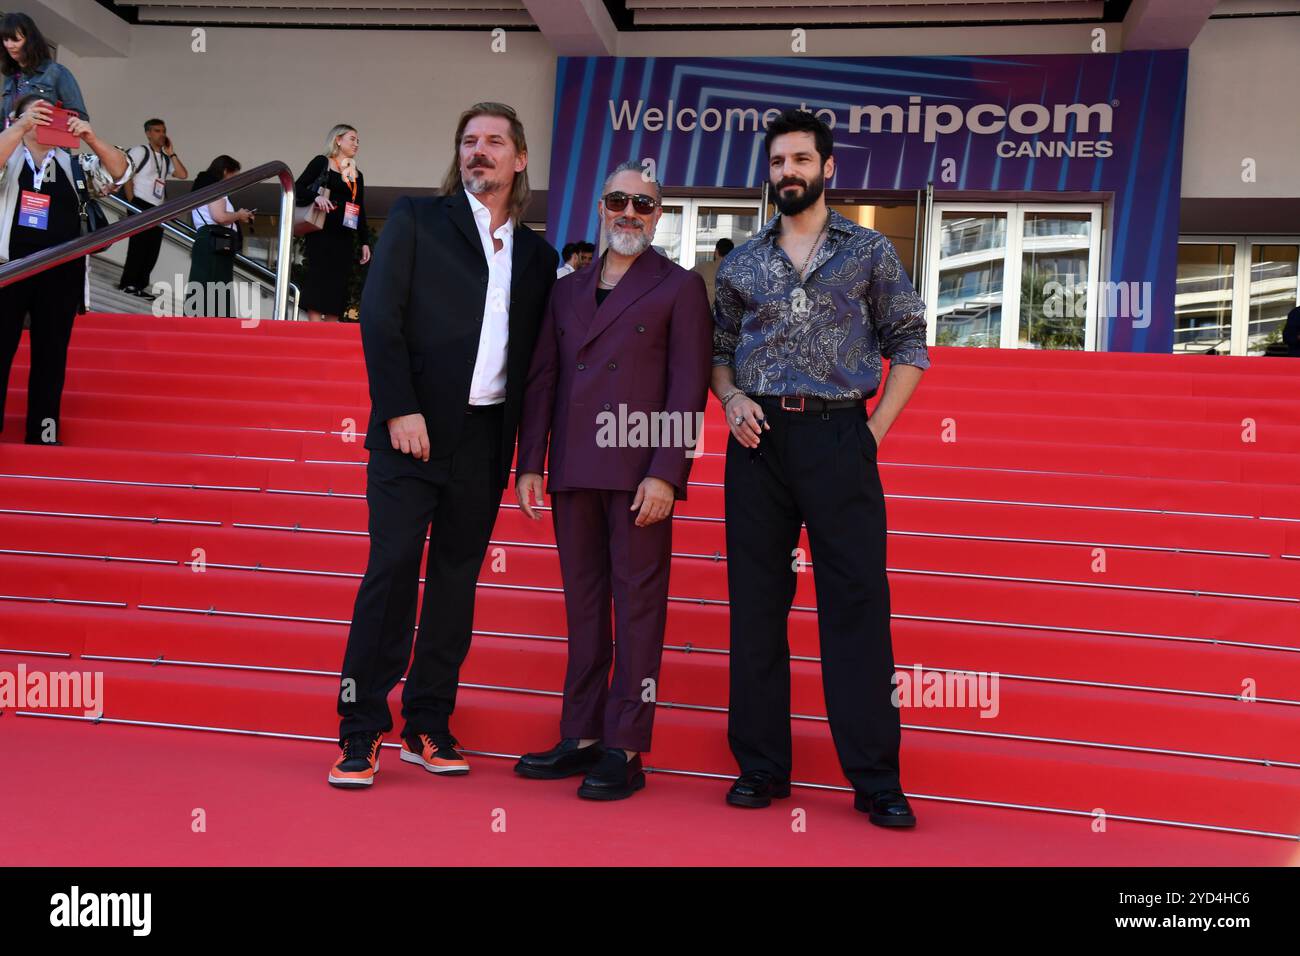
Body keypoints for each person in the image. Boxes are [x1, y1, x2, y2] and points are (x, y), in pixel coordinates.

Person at [328, 102, 558, 789]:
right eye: (469, 141)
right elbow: (379, 315)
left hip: (484, 440)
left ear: (519, 160)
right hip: (411, 433)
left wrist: (528, 459)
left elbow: (538, 367)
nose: (478, 152)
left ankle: (427, 722)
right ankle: (360, 730)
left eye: (494, 142)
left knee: (455, 587)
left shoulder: (540, 257)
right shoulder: (418, 221)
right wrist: (399, 407)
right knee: (392, 572)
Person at [712, 109, 930, 828]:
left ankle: (875, 780)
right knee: (755, 609)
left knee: (858, 610)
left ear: (827, 167)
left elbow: (910, 342)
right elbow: (716, 355)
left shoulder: (869, 251)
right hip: (757, 445)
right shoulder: (742, 262)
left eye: (801, 159)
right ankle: (762, 767)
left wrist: (871, 433)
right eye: (778, 162)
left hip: (841, 438)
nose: (789, 173)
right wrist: (732, 395)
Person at [513, 162, 712, 800]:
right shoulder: (566, 288)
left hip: (637, 473)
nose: (630, 212)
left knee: (639, 608)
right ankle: (581, 735)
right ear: (601, 207)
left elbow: (687, 388)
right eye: (619, 200)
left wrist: (666, 473)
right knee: (583, 605)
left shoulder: (679, 287)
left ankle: (624, 747)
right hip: (573, 468)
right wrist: (531, 462)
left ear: (658, 217)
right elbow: (543, 377)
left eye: (644, 205)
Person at [0, 95, 129, 445]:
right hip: (8, 269)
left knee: (51, 355)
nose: (46, 120)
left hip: (61, 271)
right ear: (15, 118)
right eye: (38, 114)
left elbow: (119, 171)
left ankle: (43, 434)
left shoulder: (73, 164)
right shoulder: (9, 154)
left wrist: (90, 137)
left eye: (51, 114)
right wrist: (21, 126)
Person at [295, 125, 371, 322]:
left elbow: (359, 207)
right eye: (352, 139)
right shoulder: (322, 162)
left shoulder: (356, 174)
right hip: (321, 230)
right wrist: (316, 197)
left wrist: (364, 241)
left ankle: (330, 328)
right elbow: (298, 186)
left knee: (339, 281)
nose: (356, 144)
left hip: (344, 233)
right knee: (319, 276)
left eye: (358, 141)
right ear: (338, 140)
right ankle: (314, 328)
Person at [118, 118, 188, 298]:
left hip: (157, 207)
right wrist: (131, 200)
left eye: (163, 130)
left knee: (152, 248)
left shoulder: (165, 158)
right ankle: (128, 283)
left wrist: (171, 153)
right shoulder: (141, 151)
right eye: (157, 131)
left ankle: (140, 284)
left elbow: (182, 174)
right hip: (140, 202)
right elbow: (127, 173)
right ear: (148, 133)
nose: (162, 134)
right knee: (138, 245)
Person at [187, 156, 254, 317]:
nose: (235, 181)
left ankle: (199, 324)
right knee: (215, 285)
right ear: (225, 171)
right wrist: (238, 214)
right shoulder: (215, 187)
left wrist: (238, 216)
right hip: (214, 240)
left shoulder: (204, 186)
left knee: (206, 285)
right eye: (234, 176)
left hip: (210, 239)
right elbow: (220, 217)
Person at [0, 14, 87, 123]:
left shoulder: (56, 72)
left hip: (42, 139)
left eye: (15, 40)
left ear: (30, 41)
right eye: (5, 39)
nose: (9, 45)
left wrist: (40, 116)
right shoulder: (10, 77)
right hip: (13, 139)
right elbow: (3, 121)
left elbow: (80, 118)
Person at [692, 236, 733, 307]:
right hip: (727, 316)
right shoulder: (736, 273)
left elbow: (683, 279)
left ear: (716, 252)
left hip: (703, 313)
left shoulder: (702, 267)